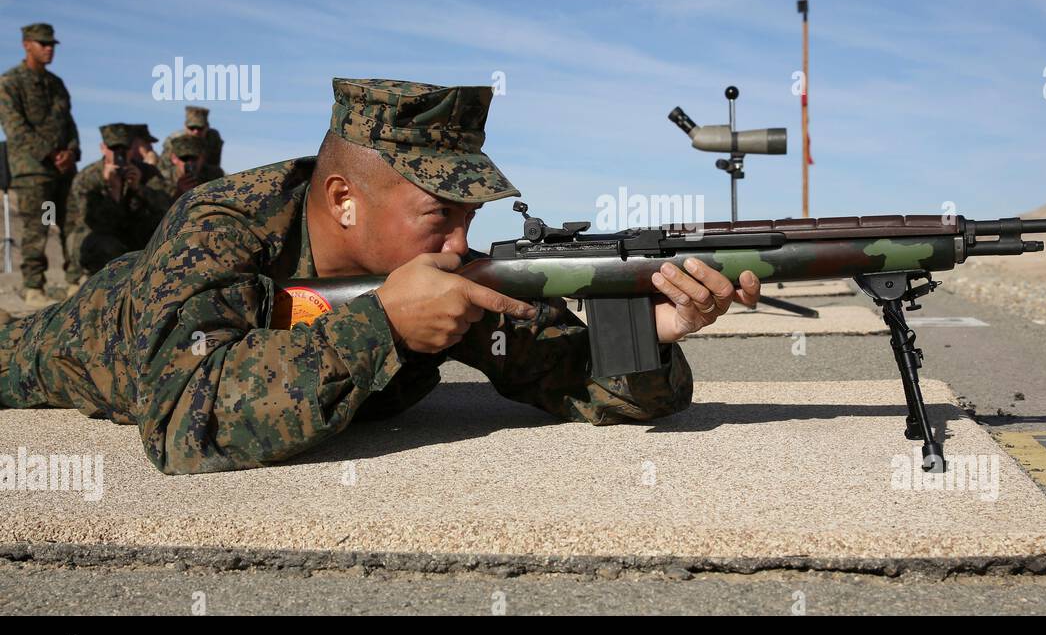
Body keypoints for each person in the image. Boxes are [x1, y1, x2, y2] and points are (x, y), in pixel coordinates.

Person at [0, 78, 761, 475]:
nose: (464, 240)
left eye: (473, 211)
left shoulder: (442, 265)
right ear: (343, 200)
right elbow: (179, 422)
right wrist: (383, 324)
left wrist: (648, 339)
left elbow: (568, 377)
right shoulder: (220, 226)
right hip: (83, 333)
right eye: (441, 213)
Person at [0, 23, 80, 307]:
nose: (48, 49)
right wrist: (49, 154)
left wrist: (71, 152)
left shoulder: (56, 84)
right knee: (39, 226)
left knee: (73, 221)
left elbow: (69, 124)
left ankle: (74, 281)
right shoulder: (10, 82)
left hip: (64, 169)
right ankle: (34, 285)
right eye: (42, 43)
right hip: (33, 169)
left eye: (51, 44)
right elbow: (14, 127)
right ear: (26, 45)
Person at [64, 123, 173, 287]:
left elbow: (166, 208)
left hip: (133, 236)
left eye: (125, 148)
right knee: (105, 245)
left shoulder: (147, 173)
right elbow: (91, 221)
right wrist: (113, 191)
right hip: (98, 238)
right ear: (103, 148)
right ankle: (93, 282)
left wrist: (140, 189)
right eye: (114, 149)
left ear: (132, 148)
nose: (119, 154)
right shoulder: (88, 177)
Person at [160, 105, 222, 180]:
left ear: (207, 126)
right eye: (192, 128)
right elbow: (164, 166)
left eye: (200, 128)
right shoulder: (174, 140)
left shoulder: (213, 138)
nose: (196, 131)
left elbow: (214, 164)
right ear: (185, 126)